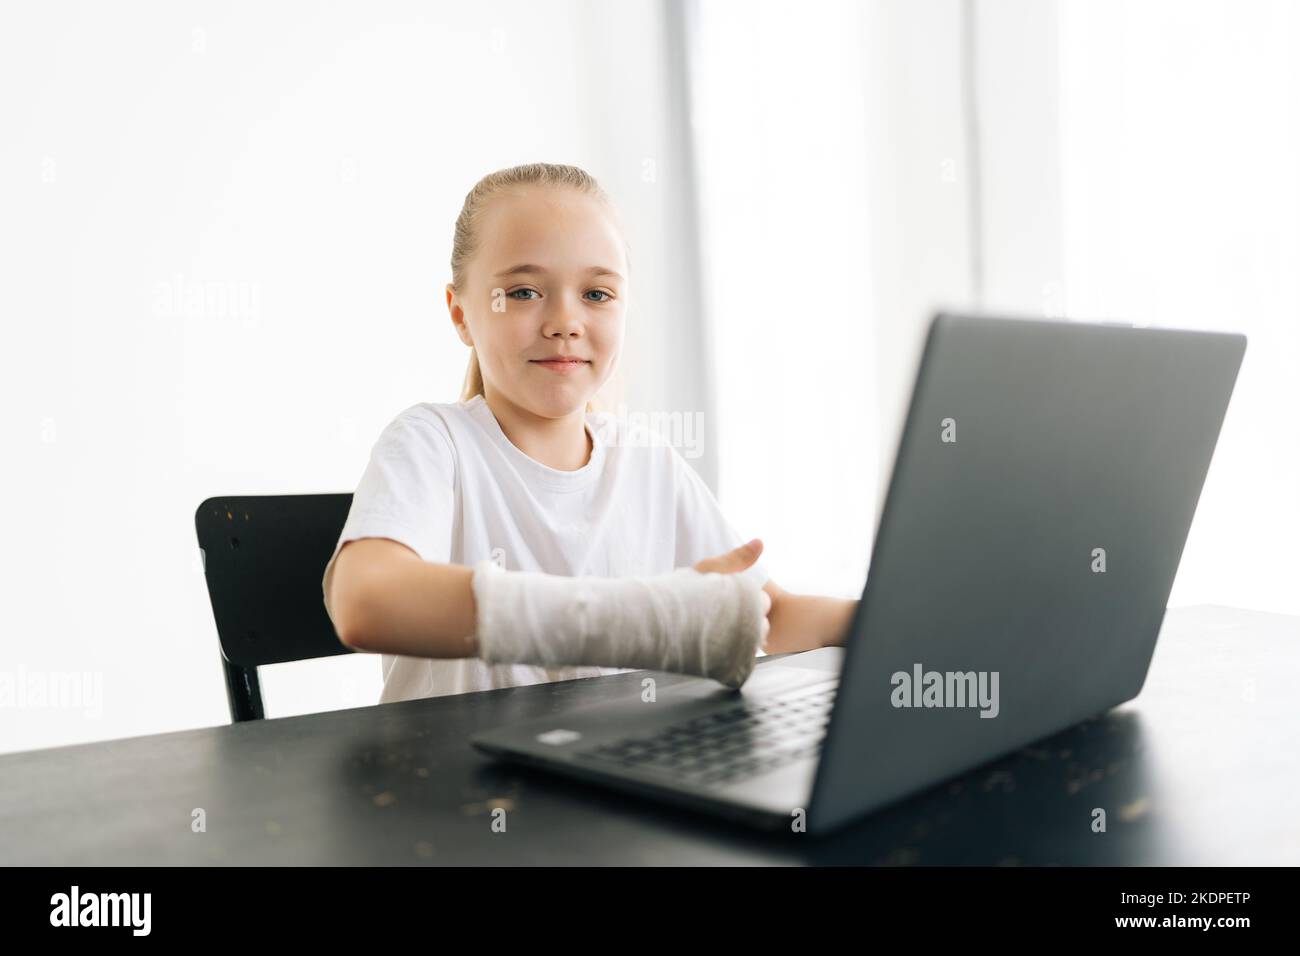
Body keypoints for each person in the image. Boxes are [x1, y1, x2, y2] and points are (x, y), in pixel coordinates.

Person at [322, 162, 855, 705]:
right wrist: (639, 615)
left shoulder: (646, 461)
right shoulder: (433, 443)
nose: (564, 322)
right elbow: (364, 600)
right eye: (524, 291)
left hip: (608, 772)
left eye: (597, 295)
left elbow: (771, 615)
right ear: (461, 314)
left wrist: (898, 620)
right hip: (456, 782)